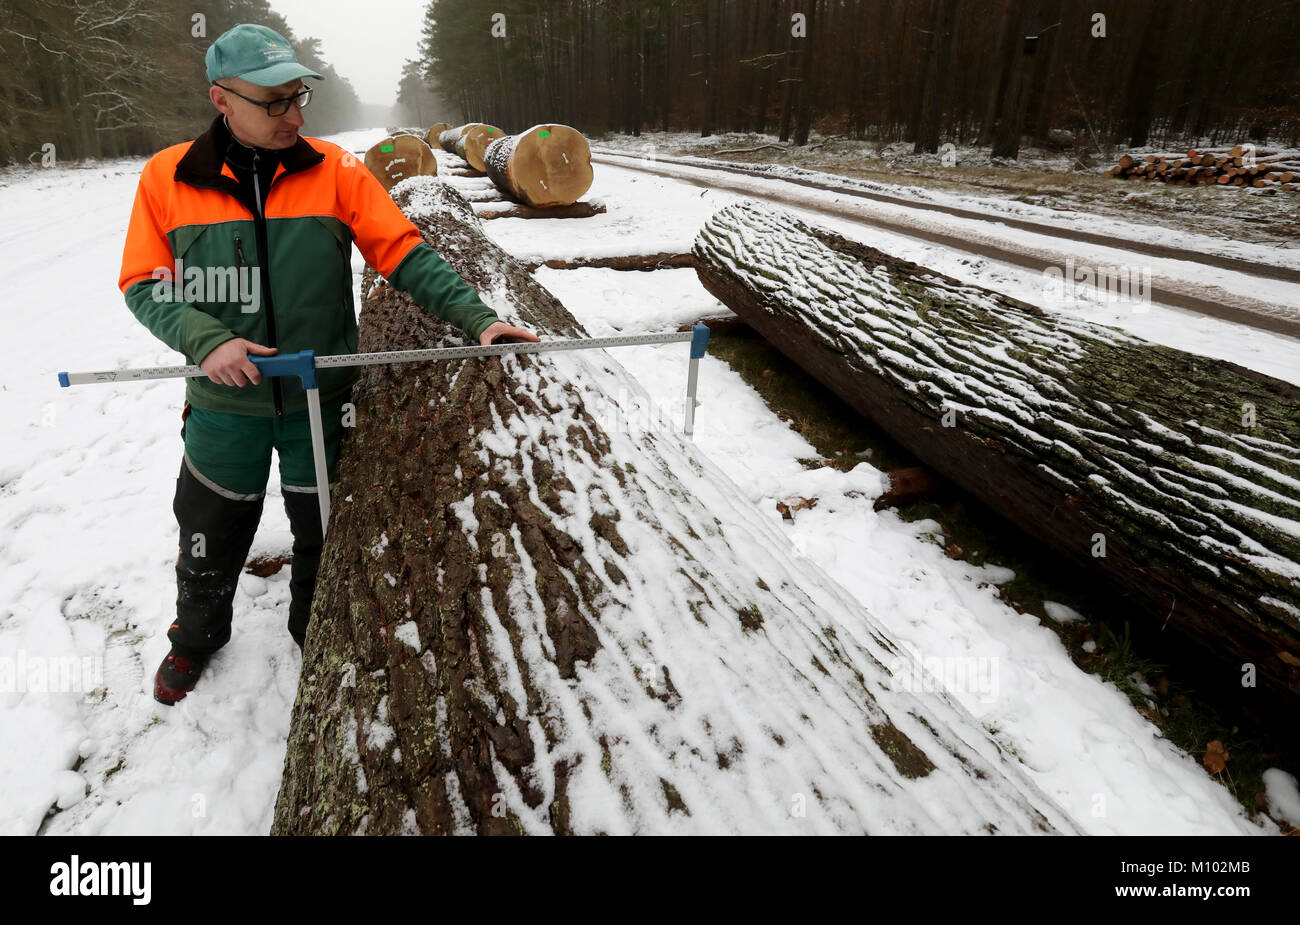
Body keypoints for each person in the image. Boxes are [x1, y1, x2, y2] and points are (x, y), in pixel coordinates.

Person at [118, 23, 538, 705]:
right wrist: (205, 338)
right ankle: (195, 634)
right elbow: (144, 282)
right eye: (276, 102)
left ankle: (314, 628)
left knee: (323, 523)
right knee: (208, 528)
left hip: (324, 397)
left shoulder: (336, 171)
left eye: (299, 98)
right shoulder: (166, 177)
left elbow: (403, 253)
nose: (296, 116)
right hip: (227, 405)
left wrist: (478, 318)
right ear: (222, 100)